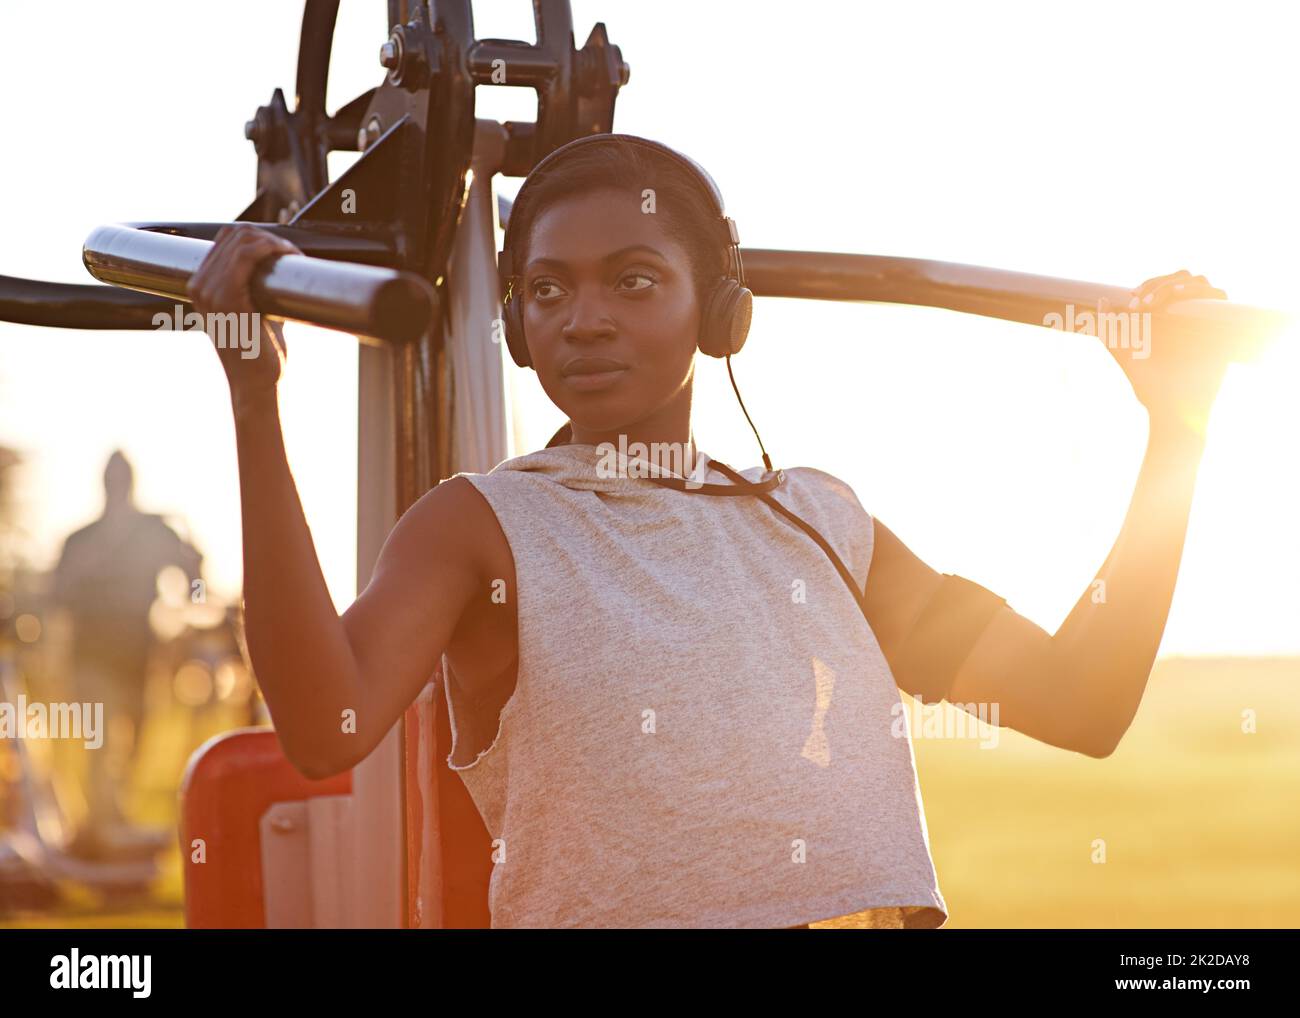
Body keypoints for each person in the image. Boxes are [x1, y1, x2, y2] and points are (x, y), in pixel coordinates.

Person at [188, 134, 1229, 929]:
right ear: (514, 326)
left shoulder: (822, 520)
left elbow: (1083, 699)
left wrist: (1175, 430)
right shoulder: (484, 526)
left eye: (632, 280)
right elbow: (324, 728)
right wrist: (252, 398)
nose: (580, 318)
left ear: (719, 311)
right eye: (546, 289)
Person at [50, 450, 204, 860]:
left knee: (135, 743)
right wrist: (82, 575)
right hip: (90, 657)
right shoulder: (80, 540)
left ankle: (115, 825)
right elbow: (56, 598)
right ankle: (100, 829)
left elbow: (194, 589)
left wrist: (196, 567)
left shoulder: (155, 532)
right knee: (98, 744)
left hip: (139, 657)